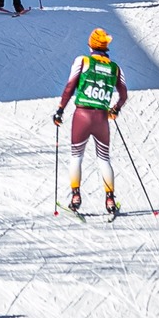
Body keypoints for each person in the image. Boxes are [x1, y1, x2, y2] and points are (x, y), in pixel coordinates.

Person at [53, 28, 129, 215]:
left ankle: (75, 197)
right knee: (104, 158)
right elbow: (124, 94)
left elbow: (70, 86)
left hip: (82, 115)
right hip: (101, 117)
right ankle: (110, 199)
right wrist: (115, 109)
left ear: (90, 46)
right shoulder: (115, 68)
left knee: (76, 156)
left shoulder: (83, 61)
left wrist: (60, 110)